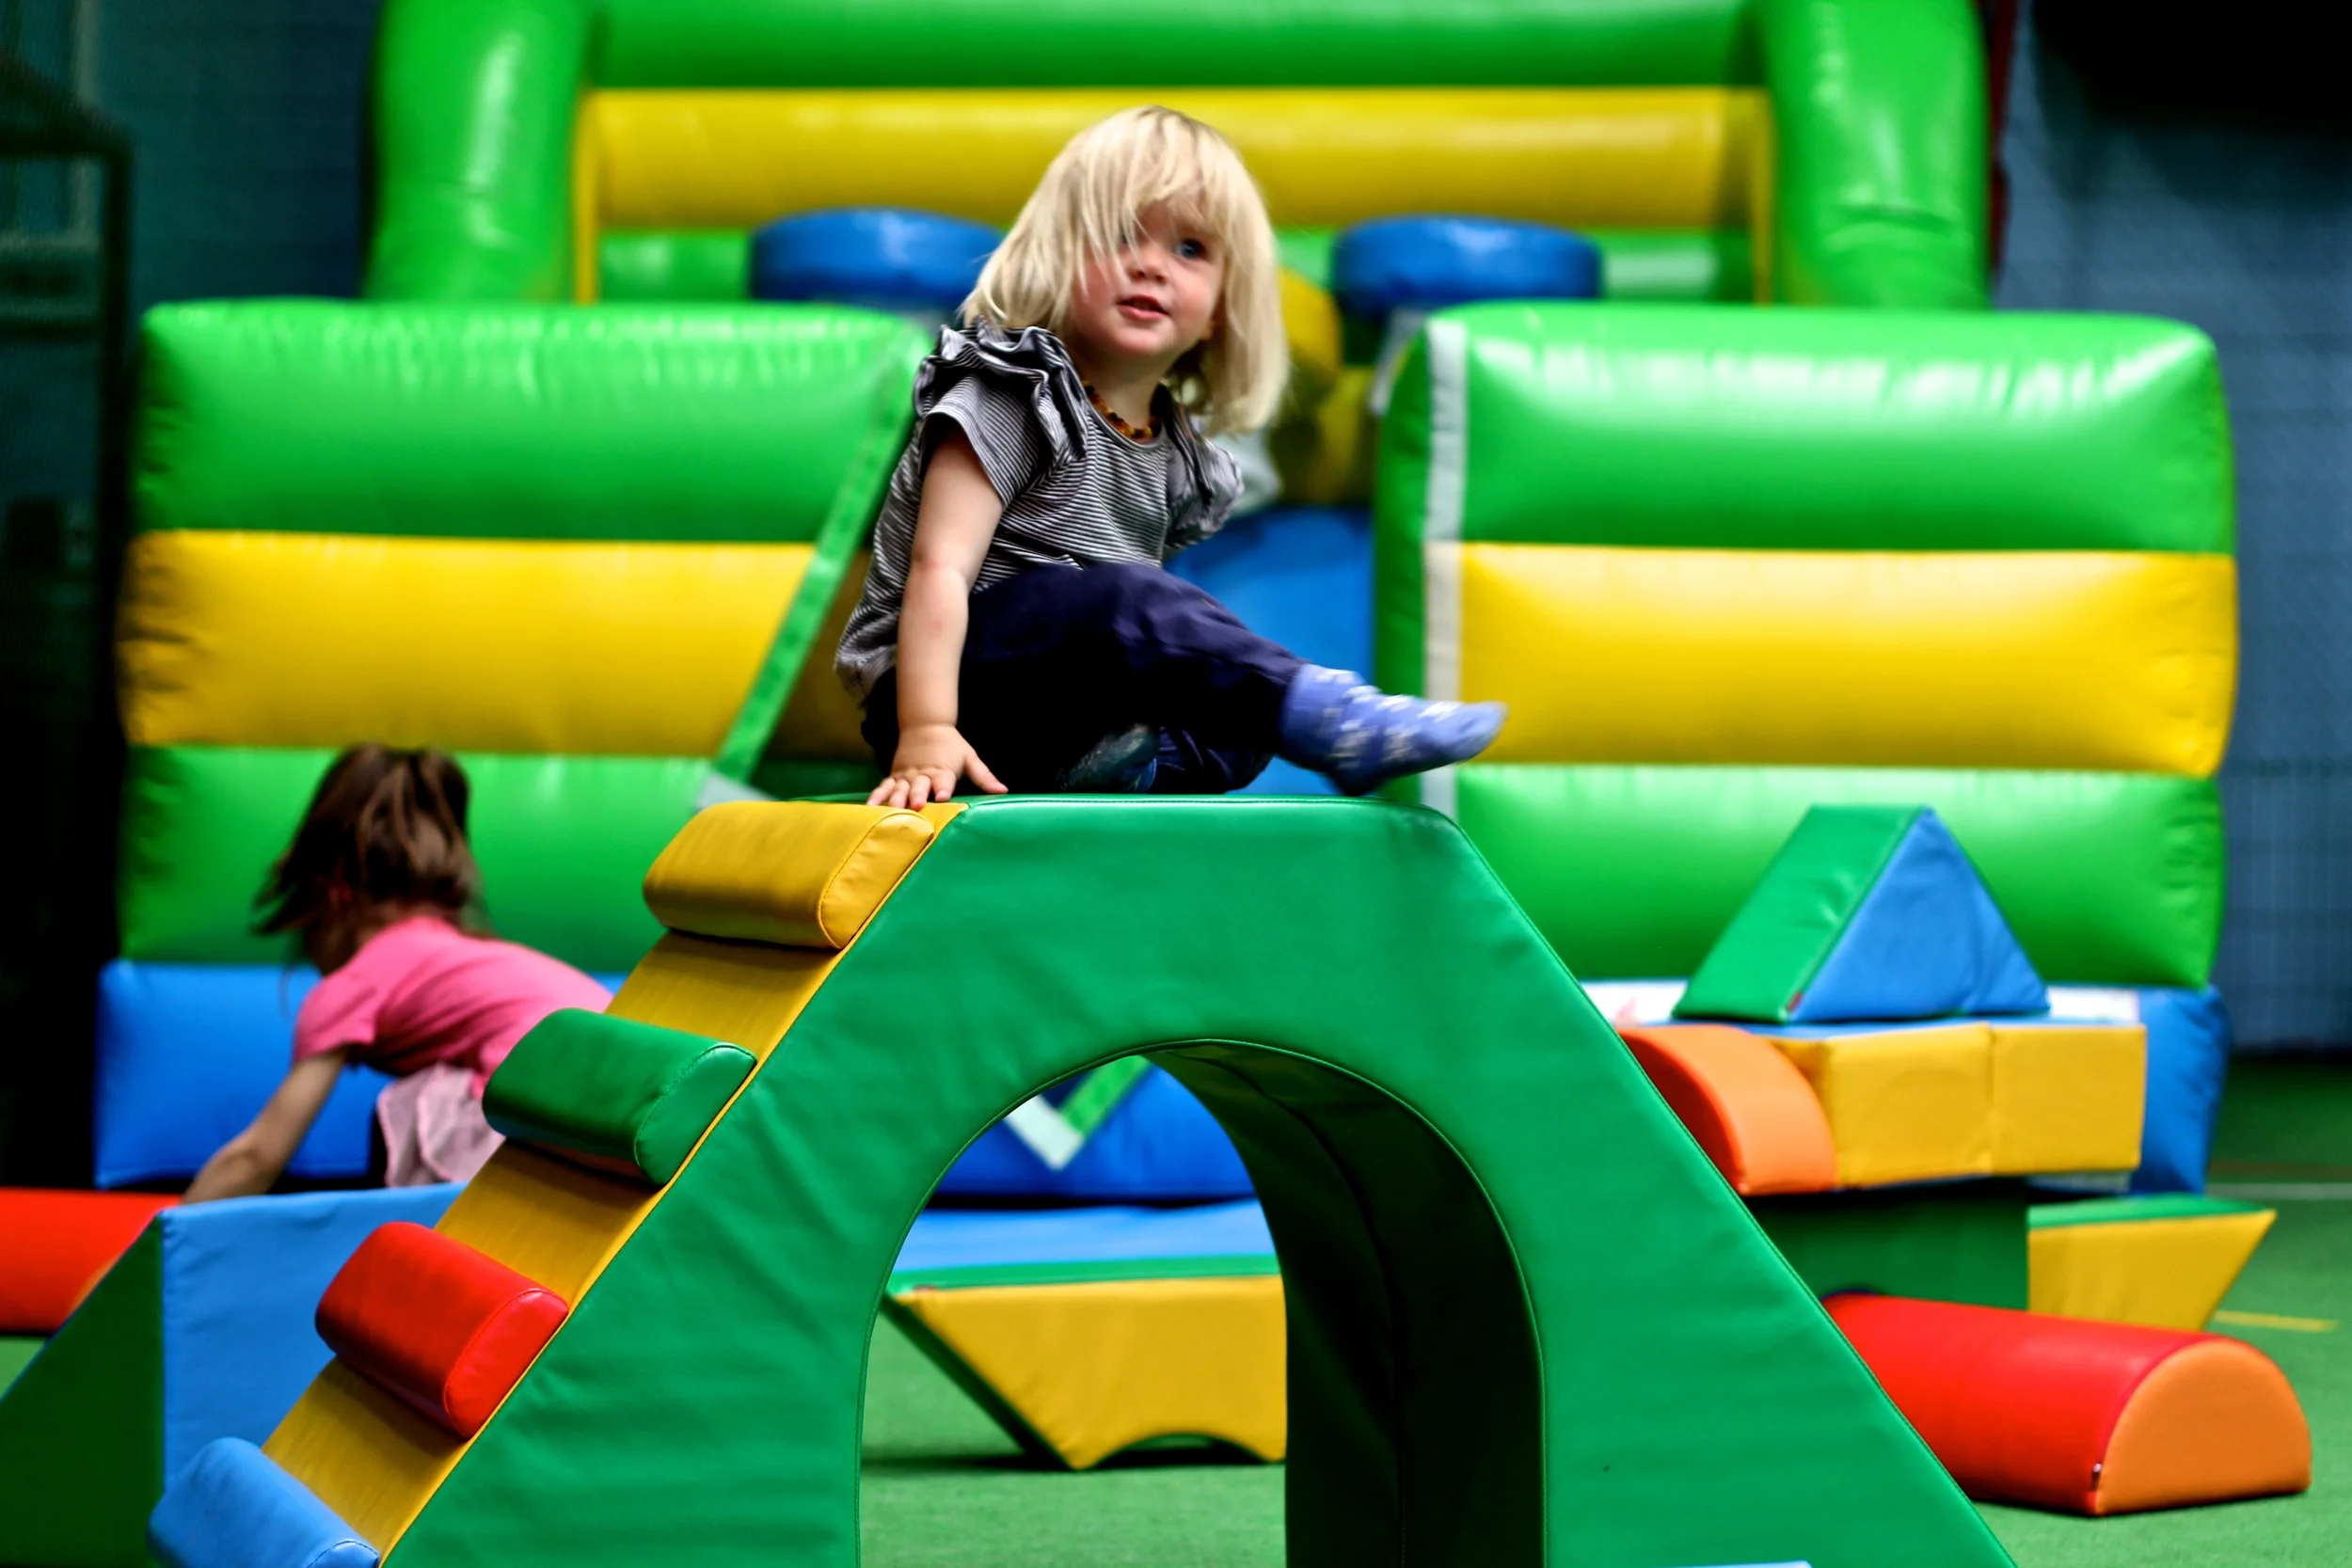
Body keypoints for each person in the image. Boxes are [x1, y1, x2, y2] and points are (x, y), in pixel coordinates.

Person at [839, 106, 1505, 808]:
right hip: (959, 688)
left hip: (1064, 718)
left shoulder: (1174, 449)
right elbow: (938, 567)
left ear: (1219, 306)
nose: (1151, 265)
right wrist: (926, 726)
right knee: (1125, 601)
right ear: (1058, 255)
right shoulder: (1012, 390)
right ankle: (1330, 714)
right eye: (1122, 235)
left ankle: (1123, 768)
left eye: (1190, 249)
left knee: (1237, 714)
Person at [183, 746, 611, 1201]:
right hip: (622, 1112)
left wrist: (151, 1258)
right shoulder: (468, 956)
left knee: (410, 1102)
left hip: (544, 1128)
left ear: (332, 896)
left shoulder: (355, 982)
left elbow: (255, 1159)